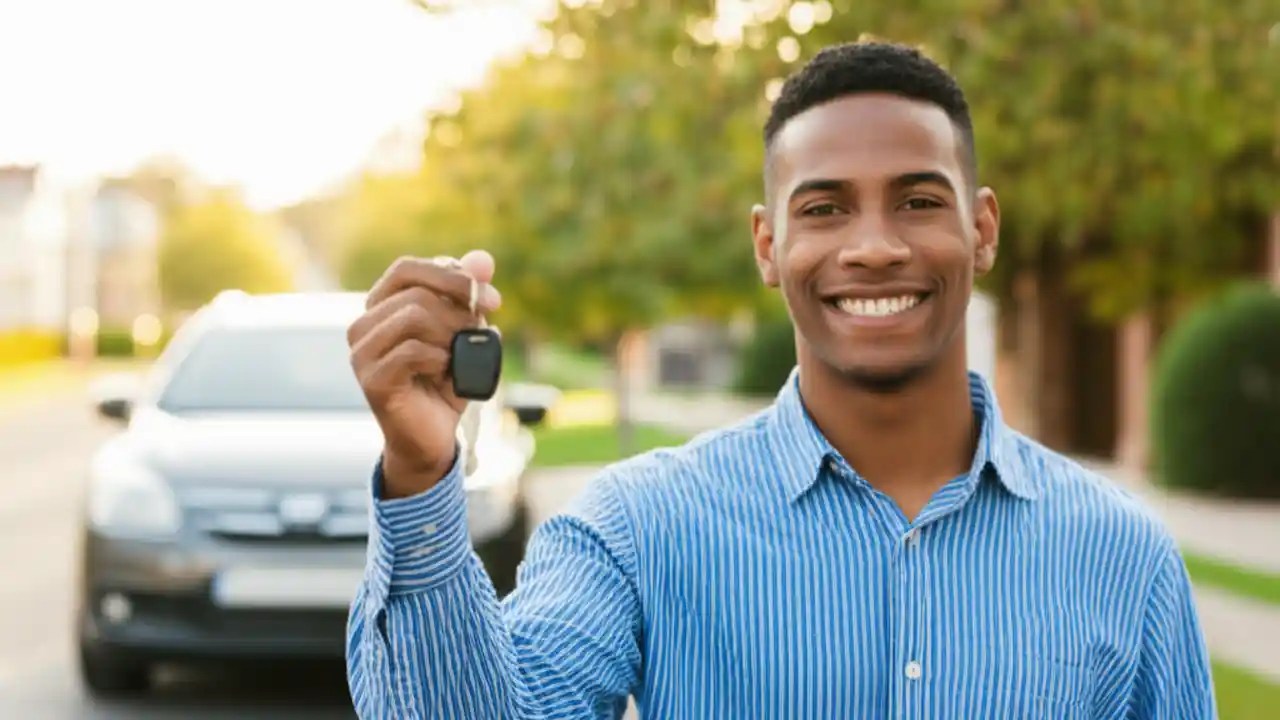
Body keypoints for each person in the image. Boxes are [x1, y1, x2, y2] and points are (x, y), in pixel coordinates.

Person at [343, 40, 1215, 719]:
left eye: (917, 200)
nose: (873, 246)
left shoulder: (1121, 556)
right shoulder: (638, 531)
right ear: (769, 246)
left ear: (981, 228)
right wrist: (423, 476)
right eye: (824, 208)